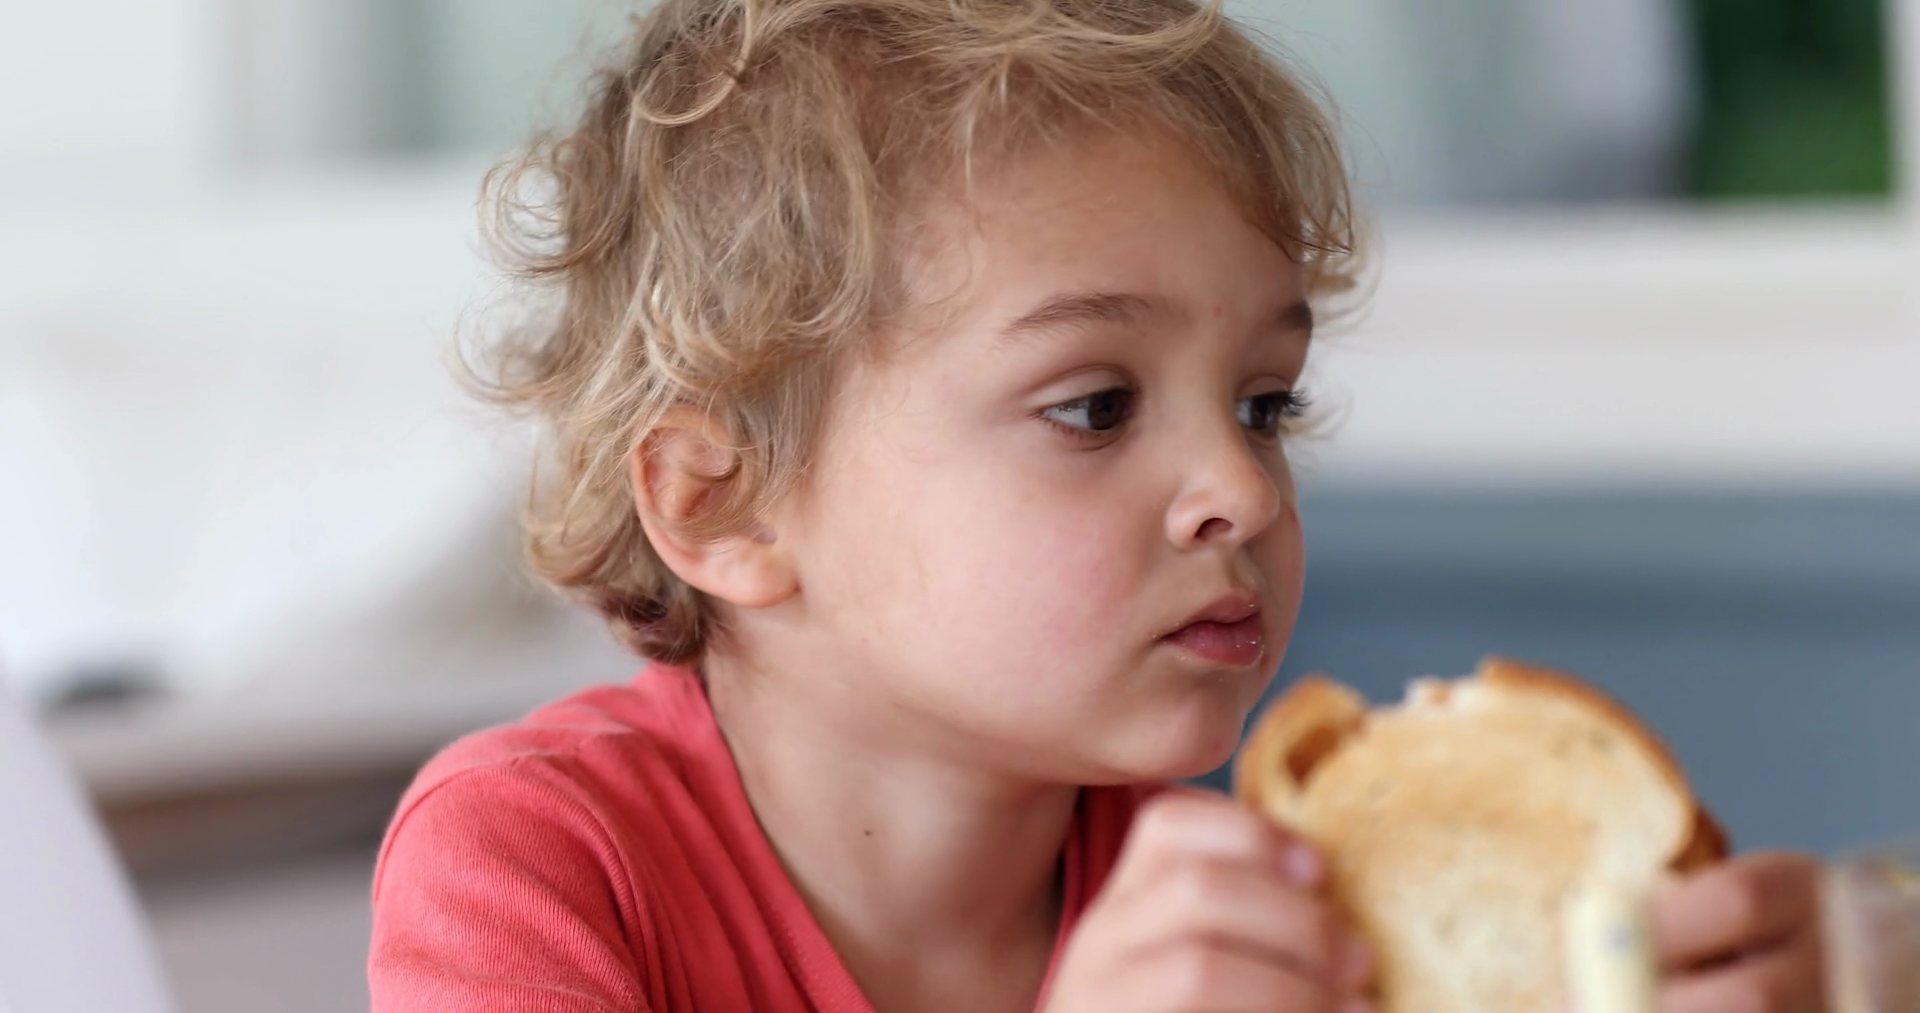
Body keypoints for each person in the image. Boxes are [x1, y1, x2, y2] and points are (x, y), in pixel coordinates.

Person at [368, 0, 1827, 1008]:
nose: (1241, 488)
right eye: (1095, 406)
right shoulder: (535, 862)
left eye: (1267, 404)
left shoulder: (1271, 902)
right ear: (725, 506)